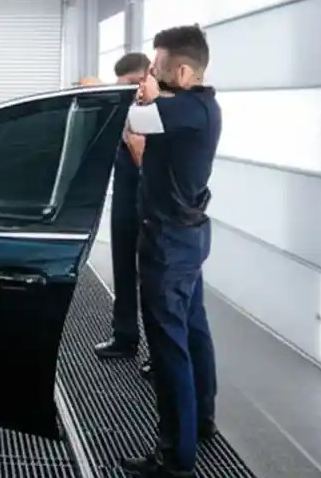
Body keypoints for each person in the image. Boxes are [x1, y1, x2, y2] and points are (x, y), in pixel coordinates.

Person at [121, 25, 222, 478]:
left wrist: (138, 95)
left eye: (158, 69)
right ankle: (200, 422)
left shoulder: (187, 109)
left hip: (168, 244)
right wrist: (149, 94)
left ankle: (175, 458)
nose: (152, 76)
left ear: (183, 71)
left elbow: (131, 125)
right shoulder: (197, 108)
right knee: (194, 330)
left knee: (168, 348)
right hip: (187, 237)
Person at [93, 53, 151, 372]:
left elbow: (141, 154)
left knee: (153, 281)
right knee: (123, 270)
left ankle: (158, 354)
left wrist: (127, 126)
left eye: (131, 85)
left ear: (145, 79)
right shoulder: (130, 110)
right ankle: (125, 336)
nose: (128, 92)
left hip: (149, 204)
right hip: (125, 200)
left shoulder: (153, 113)